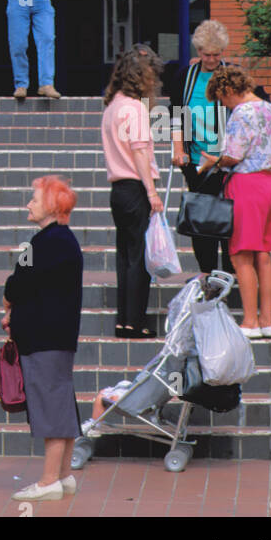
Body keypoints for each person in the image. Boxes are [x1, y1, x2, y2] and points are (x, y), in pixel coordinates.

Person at [3, 175, 83, 502]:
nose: (29, 204)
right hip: (59, 336)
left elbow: (15, 285)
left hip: (43, 337)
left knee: (49, 403)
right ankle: (63, 475)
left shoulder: (42, 243)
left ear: (50, 205)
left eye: (34, 199)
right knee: (61, 400)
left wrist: (9, 306)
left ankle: (50, 478)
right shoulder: (65, 241)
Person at [201, 64, 271, 338]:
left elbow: (234, 156)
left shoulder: (242, 112)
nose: (224, 105)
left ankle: (249, 322)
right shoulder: (270, 109)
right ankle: (266, 320)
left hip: (247, 185)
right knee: (264, 256)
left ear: (227, 90)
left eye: (222, 99)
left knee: (240, 255)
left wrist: (213, 160)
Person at [101, 51, 162, 338]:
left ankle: (123, 319)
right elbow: (139, 151)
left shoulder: (112, 106)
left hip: (117, 189)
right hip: (135, 186)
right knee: (139, 257)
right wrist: (152, 192)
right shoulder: (136, 108)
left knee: (124, 257)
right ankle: (136, 321)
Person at [168, 20, 233, 276]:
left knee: (227, 217)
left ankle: (229, 271)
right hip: (194, 158)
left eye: (217, 55)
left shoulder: (231, 74)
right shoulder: (185, 77)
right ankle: (206, 271)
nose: (212, 59)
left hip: (225, 159)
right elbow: (176, 115)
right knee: (200, 217)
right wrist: (177, 150)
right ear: (198, 51)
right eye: (207, 54)